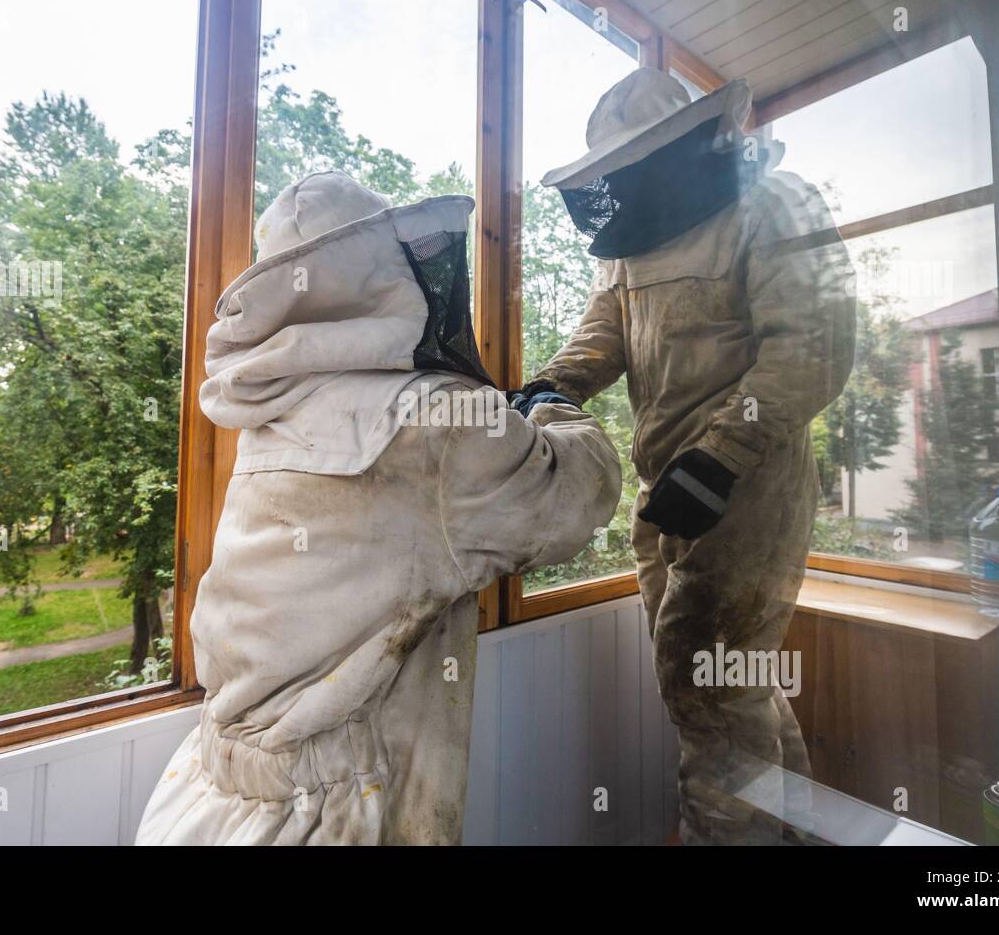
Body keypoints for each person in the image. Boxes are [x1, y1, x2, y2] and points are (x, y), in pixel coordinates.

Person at [136, 172, 621, 845]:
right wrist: (550, 405)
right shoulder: (438, 422)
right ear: (384, 269)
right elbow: (580, 495)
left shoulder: (272, 411)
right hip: (332, 815)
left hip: (203, 797)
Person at [513, 70, 856, 844]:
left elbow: (814, 345)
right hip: (664, 491)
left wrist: (720, 458)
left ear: (686, 142)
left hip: (750, 491)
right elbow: (605, 328)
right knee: (734, 685)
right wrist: (545, 386)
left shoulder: (775, 203)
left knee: (705, 687)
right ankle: (796, 833)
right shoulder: (631, 238)